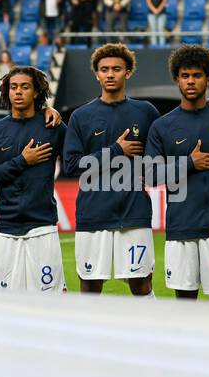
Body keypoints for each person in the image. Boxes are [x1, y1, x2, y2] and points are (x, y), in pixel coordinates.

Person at [137, 46, 209, 301]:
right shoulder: (163, 125)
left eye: (197, 75)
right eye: (185, 75)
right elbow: (149, 175)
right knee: (184, 303)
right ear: (177, 79)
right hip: (181, 227)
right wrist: (190, 163)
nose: (191, 81)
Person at [62, 43, 161, 295]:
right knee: (90, 285)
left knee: (141, 283)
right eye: (104, 69)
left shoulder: (146, 112)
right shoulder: (81, 116)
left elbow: (161, 155)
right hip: (93, 213)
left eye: (116, 69)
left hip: (135, 211)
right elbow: (72, 165)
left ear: (128, 72)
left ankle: (146, 334)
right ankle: (91, 335)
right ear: (96, 73)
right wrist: (117, 150)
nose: (109, 74)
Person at [0, 66, 68, 292]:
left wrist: (51, 110)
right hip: (6, 227)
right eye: (13, 87)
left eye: (25, 87)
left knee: (51, 300)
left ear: (36, 92)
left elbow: (75, 161)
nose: (18, 92)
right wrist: (23, 161)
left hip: (43, 225)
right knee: (6, 301)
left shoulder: (52, 127)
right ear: (6, 92)